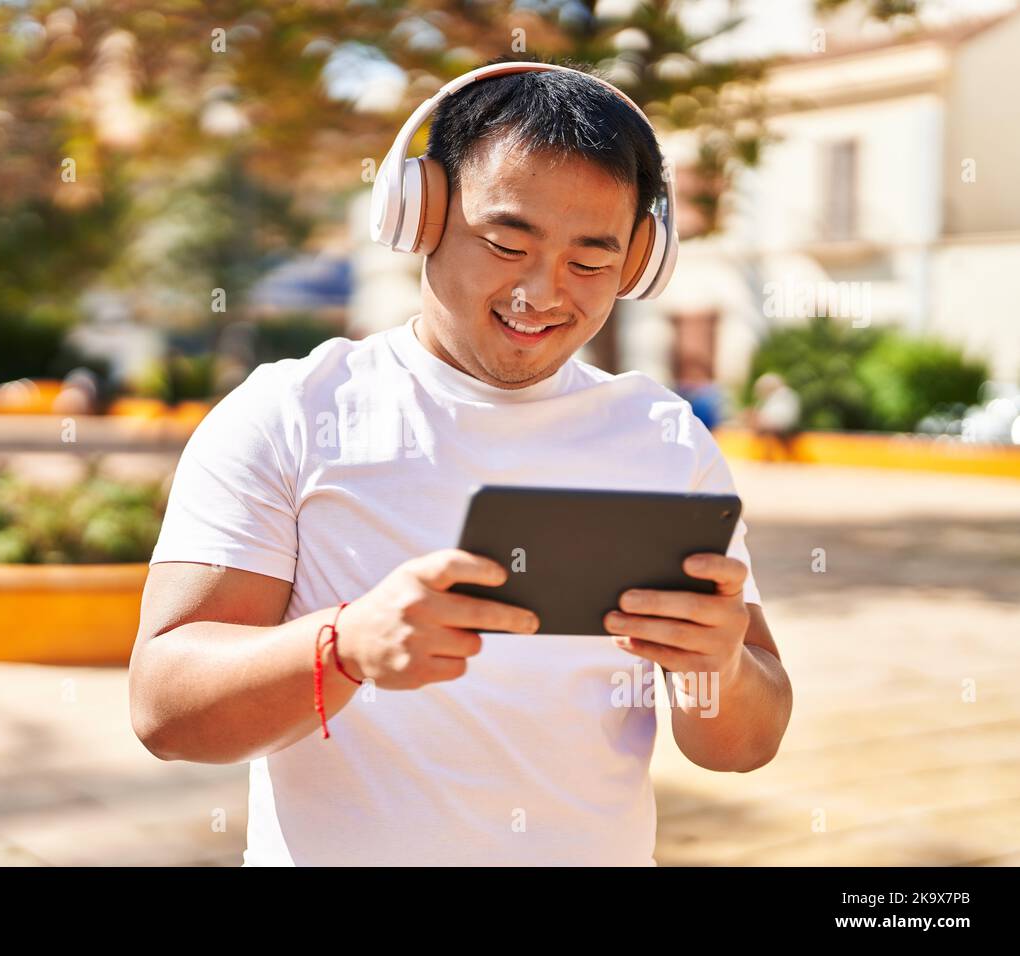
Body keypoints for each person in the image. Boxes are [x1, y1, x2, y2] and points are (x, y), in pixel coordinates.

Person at [129, 60, 792, 866]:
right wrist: (343, 646)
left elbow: (743, 744)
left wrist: (716, 667)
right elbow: (165, 709)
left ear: (639, 258)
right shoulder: (291, 414)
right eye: (508, 241)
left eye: (591, 262)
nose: (543, 292)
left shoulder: (664, 436)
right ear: (422, 212)